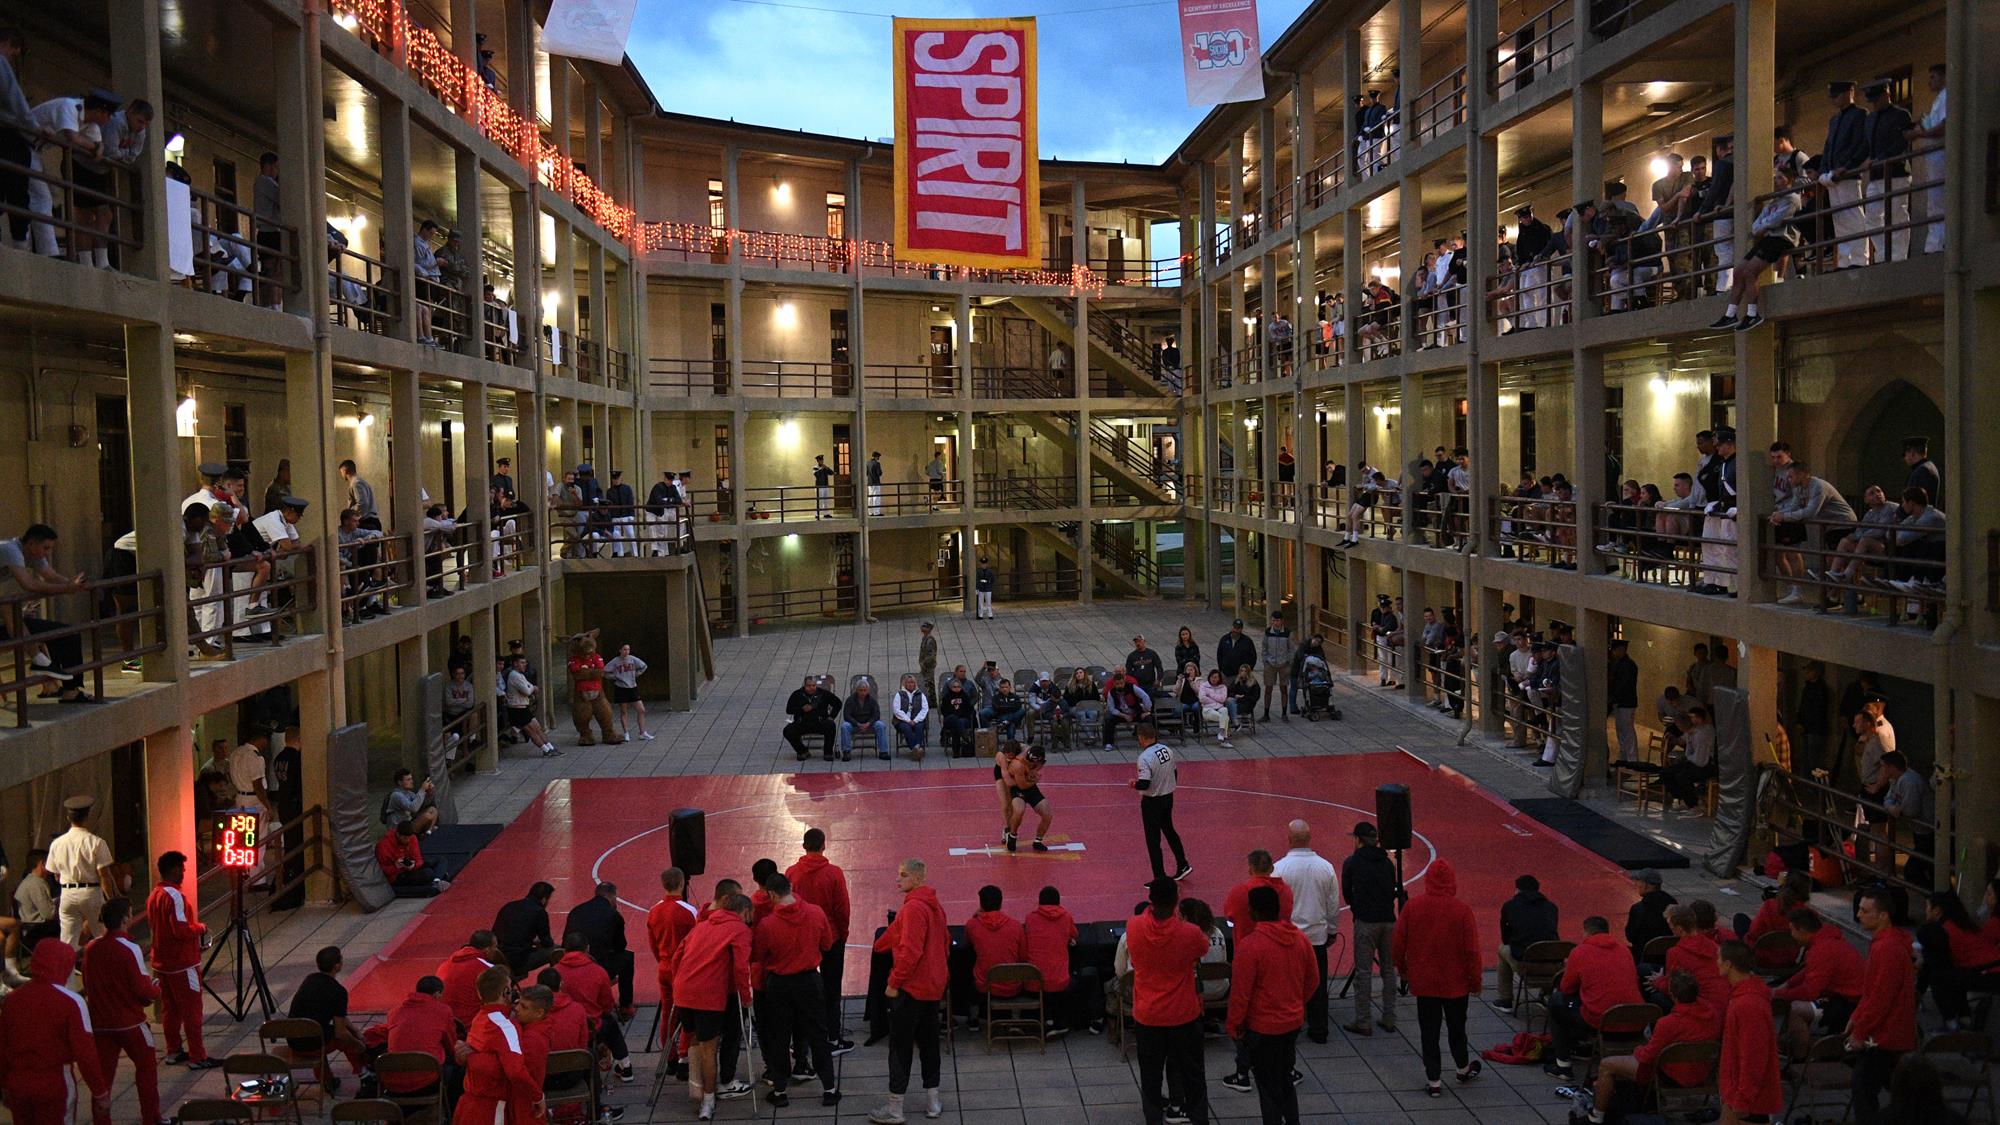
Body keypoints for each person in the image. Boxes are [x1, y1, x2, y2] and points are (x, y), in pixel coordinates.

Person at [1575, 971, 1719, 1125]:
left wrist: (1637, 1050)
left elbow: (1647, 1057)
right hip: (1702, 1074)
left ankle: (1597, 1116)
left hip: (1672, 1074)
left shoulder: (1669, 1023)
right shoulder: (1713, 1015)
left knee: (1607, 1064)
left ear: (1672, 995)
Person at [1391, 859, 1483, 1098]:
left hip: (1426, 981)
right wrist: (1475, 981)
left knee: (1428, 1031)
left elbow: (1399, 942)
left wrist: (1402, 968)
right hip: (1456, 982)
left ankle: (1434, 1080)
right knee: (1457, 1027)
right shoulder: (1462, 910)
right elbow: (1472, 951)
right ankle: (1462, 1067)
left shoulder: (1413, 907)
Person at [1228, 885, 1319, 1125]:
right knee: (1285, 1080)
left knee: (1267, 1088)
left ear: (1253, 912)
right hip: (1291, 1023)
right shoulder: (1299, 938)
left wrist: (1235, 1025)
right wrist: (1297, 1004)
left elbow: (1241, 993)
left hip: (1262, 1027)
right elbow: (1313, 979)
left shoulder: (1251, 946)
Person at [869, 859, 949, 1124]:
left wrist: (893, 982)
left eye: (902, 875)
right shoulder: (934, 907)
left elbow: (910, 950)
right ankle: (933, 1101)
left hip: (911, 988)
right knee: (929, 1042)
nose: (897, 880)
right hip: (933, 987)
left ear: (916, 879)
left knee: (900, 1047)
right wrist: (882, 944)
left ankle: (895, 1107)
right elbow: (941, 942)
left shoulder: (913, 908)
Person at [751, 873, 839, 1107]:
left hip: (779, 985)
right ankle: (829, 1088)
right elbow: (827, 944)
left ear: (771, 894)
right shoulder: (815, 913)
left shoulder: (767, 924)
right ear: (790, 888)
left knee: (779, 1037)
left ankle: (780, 1091)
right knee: (818, 1034)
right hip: (810, 981)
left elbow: (758, 955)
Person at [1128, 877, 1211, 1125]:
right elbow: (1202, 949)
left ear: (1150, 900)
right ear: (1176, 900)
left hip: (1148, 1014)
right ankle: (1198, 1118)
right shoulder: (1190, 933)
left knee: (1150, 1075)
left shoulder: (1133, 927)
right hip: (1183, 1014)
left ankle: (1153, 1118)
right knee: (1193, 1074)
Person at [0, 940, 110, 1124]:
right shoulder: (71, 1001)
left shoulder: (12, 1000)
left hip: (18, 1083)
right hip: (55, 1082)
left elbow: (3, 1046)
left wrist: (4, 1083)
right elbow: (85, 1053)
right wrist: (99, 1091)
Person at [81, 897, 161, 1125]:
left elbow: (88, 981)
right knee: (146, 1068)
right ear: (126, 918)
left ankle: (102, 1121)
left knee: (103, 1079)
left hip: (101, 1023)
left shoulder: (91, 947)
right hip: (130, 1022)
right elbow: (141, 986)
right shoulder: (129, 948)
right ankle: (151, 1117)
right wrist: (155, 990)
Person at [676, 891, 754, 1121]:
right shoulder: (740, 930)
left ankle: (696, 1086)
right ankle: (708, 1100)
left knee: (694, 1038)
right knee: (710, 1049)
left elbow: (678, 955)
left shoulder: (701, 926)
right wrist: (746, 996)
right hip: (708, 993)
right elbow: (741, 967)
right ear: (745, 912)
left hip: (684, 989)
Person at [1, 524, 98, 703]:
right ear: (31, 543)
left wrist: (74, 586)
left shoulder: (32, 555)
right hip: (6, 618)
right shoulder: (9, 549)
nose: (47, 553)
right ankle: (39, 661)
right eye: (45, 548)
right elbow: (28, 584)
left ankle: (71, 691)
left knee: (68, 633)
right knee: (8, 605)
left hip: (9, 620)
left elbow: (50, 576)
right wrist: (67, 588)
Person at [1846, 889, 1917, 1123]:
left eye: (1865, 911)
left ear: (1883, 915)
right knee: (1892, 1089)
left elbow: (1880, 997)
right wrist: (1857, 1016)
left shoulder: (1887, 949)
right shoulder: (1887, 944)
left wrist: (1860, 1030)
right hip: (1892, 1033)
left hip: (1886, 1036)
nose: (1859, 915)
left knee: (1864, 1088)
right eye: (1859, 910)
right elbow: (1872, 991)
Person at [1543, 916, 1643, 1080]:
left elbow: (1566, 988)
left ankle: (1563, 1065)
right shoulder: (1624, 950)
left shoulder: (1580, 952)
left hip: (1602, 1021)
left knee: (1557, 1002)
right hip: (1635, 1020)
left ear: (1586, 932)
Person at [145, 850, 216, 1069]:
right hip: (182, 964)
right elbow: (181, 930)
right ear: (173, 869)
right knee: (192, 1010)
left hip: (162, 963)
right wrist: (200, 928)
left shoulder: (154, 895)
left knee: (170, 1009)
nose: (184, 873)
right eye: (182, 869)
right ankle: (198, 1056)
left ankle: (173, 1050)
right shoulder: (174, 896)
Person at [1272, 820, 1341, 1043]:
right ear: (1309, 838)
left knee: (1286, 983)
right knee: (1317, 983)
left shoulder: (1279, 868)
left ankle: (1287, 1026)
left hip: (1288, 936)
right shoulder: (1326, 867)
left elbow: (1274, 905)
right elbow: (1333, 904)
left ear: (1289, 839)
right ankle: (1319, 1029)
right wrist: (1331, 930)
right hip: (1316, 936)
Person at [786, 830, 855, 1052]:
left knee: (802, 989)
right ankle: (833, 1038)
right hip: (831, 937)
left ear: (803, 845)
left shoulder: (792, 873)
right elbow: (842, 908)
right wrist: (842, 934)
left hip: (802, 938)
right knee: (831, 988)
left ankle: (802, 1040)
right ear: (824, 845)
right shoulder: (834, 874)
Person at [1773, 907, 1865, 1057]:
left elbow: (1809, 992)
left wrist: (1780, 993)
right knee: (1797, 999)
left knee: (1797, 1008)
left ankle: (1799, 1056)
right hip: (1848, 995)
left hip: (1851, 1002)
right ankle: (1788, 1041)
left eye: (1792, 931)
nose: (1791, 935)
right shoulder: (1827, 939)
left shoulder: (1821, 950)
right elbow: (1809, 971)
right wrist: (1788, 985)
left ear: (1802, 930)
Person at [456, 965, 541, 1125]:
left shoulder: (479, 1019)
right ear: (506, 992)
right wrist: (537, 1096)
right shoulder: (506, 1026)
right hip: (493, 1107)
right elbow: (516, 1071)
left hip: (469, 1103)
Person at [1340, 822, 1401, 1035]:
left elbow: (1347, 892)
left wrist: (1357, 907)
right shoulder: (1387, 863)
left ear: (1357, 840)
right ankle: (1389, 1016)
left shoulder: (1352, 862)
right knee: (1388, 969)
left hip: (1366, 920)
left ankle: (1363, 1020)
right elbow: (1392, 888)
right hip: (1387, 919)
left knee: (1364, 971)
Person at [1716, 940, 1783, 1125]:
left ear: (1729, 964)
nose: (1716, 963)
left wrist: (1744, 1097)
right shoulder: (1745, 997)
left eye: (1719, 958)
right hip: (1737, 1090)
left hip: (1748, 1097)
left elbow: (1754, 1055)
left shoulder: (1748, 1004)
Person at [1915, 889, 2000, 1029]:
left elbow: (1932, 962)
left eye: (1927, 906)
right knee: (1950, 974)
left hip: (1988, 973)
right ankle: (1964, 1017)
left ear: (1936, 910)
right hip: (1990, 970)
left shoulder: (1943, 930)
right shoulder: (1962, 925)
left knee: (1938, 976)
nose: (1926, 911)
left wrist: (1919, 989)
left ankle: (1952, 1023)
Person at [287, 945, 366, 1089]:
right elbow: (340, 1032)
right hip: (314, 1044)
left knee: (320, 1031)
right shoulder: (338, 991)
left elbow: (339, 1015)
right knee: (347, 1040)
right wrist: (357, 1042)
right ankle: (364, 1074)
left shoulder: (310, 980)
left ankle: (327, 1080)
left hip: (294, 1040)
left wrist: (355, 1029)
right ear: (337, 966)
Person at [48, 794, 116, 948]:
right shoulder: (96, 842)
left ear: (68, 818)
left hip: (67, 893)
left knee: (67, 942)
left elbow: (56, 874)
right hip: (91, 892)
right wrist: (111, 900)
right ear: (87, 817)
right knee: (103, 935)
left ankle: (67, 972)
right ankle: (103, 970)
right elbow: (104, 875)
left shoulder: (57, 844)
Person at [564, 880, 637, 1024]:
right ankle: (625, 1005)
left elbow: (565, 941)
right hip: (598, 965)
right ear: (612, 898)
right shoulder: (613, 915)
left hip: (568, 963)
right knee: (627, 958)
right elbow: (620, 947)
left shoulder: (576, 911)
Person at [380, 976, 457, 1104]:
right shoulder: (443, 1011)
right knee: (459, 1069)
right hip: (427, 1081)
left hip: (393, 1083)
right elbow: (451, 1047)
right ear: (437, 993)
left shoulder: (394, 1012)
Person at [1132, 724, 1192, 883]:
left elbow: (1144, 783)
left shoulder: (1145, 757)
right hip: (1168, 797)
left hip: (1152, 801)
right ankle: (1182, 864)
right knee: (1169, 830)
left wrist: (1133, 784)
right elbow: (1175, 772)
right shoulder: (1167, 750)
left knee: (1153, 840)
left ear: (1141, 737)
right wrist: (1168, 785)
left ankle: (1159, 877)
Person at [1493, 874, 1559, 1014]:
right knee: (1548, 947)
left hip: (1526, 963)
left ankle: (1505, 999)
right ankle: (1545, 995)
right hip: (1553, 966)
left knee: (1502, 949)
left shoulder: (1510, 906)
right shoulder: (1551, 907)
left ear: (1517, 890)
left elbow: (1506, 938)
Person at [965, 884, 1026, 1030]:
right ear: (1001, 902)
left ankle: (973, 1019)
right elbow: (1023, 955)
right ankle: (1015, 1019)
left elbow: (969, 943)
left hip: (985, 985)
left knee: (970, 977)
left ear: (981, 903)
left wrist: (975, 917)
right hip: (1012, 985)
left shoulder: (972, 925)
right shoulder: (1016, 926)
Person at [1880, 751, 1935, 888]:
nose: (1882, 770)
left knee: (1913, 870)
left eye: (1884, 766)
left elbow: (1910, 811)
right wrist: (1893, 808)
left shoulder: (1910, 781)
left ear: (1892, 767)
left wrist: (1896, 809)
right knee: (1929, 867)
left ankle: (1934, 899)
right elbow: (1887, 799)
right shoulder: (1895, 780)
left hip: (1929, 832)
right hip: (1918, 831)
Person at [436, 929, 502, 1026]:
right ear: (487, 950)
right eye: (495, 947)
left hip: (444, 1023)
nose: (496, 950)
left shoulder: (444, 965)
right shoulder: (487, 970)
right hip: (471, 1025)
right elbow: (498, 1003)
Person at [492, 881, 558, 977]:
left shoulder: (509, 906)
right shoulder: (539, 912)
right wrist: (536, 942)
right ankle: (552, 983)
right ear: (544, 899)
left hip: (498, 956)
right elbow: (547, 942)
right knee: (557, 950)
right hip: (518, 960)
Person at [504, 653, 561, 757]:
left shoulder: (520, 675)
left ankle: (550, 747)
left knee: (538, 728)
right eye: (522, 662)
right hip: (517, 709)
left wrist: (532, 687)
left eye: (525, 662)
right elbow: (527, 690)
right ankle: (546, 750)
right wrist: (533, 688)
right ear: (515, 663)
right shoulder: (514, 676)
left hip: (524, 707)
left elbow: (529, 686)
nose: (524, 665)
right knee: (531, 731)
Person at [1005, 745, 1055, 853]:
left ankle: (1038, 841)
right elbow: (1022, 786)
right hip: (1018, 788)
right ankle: (1012, 836)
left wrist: (1034, 771)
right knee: (1019, 810)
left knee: (1047, 814)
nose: (1032, 765)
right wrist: (1035, 780)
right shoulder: (1018, 765)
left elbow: (1041, 763)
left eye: (1034, 764)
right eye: (1030, 763)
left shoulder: (1034, 754)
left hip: (1030, 787)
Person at [376, 820, 448, 894]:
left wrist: (414, 865)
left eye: (409, 838)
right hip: (397, 875)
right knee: (427, 873)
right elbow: (381, 870)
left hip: (410, 868)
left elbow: (418, 859)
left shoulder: (412, 838)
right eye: (405, 838)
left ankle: (436, 881)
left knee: (441, 860)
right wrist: (396, 867)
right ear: (398, 834)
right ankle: (438, 876)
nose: (407, 840)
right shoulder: (383, 846)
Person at [782, 674, 840, 762]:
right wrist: (801, 709)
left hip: (820, 722)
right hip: (802, 723)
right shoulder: (797, 694)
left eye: (813, 685)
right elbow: (789, 710)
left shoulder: (823, 693)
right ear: (804, 686)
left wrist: (832, 717)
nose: (811, 688)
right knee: (787, 731)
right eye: (809, 686)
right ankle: (802, 751)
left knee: (831, 725)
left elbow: (838, 703)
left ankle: (828, 752)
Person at [604, 643, 652, 741]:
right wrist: (615, 677)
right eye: (625, 649)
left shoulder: (632, 659)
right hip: (621, 688)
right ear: (620, 650)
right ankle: (626, 732)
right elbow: (605, 672)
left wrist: (637, 674)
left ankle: (642, 732)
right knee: (624, 711)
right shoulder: (615, 661)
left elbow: (643, 666)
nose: (627, 652)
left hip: (632, 687)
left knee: (641, 710)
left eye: (628, 649)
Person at [1102, 667, 1153, 750]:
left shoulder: (1132, 687)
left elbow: (1145, 696)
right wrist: (1123, 715)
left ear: (1124, 682)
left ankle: (1150, 742)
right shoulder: (1111, 693)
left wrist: (1147, 710)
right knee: (1108, 718)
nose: (1119, 685)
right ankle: (1109, 743)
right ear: (1114, 684)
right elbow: (1111, 708)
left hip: (1135, 712)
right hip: (1121, 714)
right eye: (1117, 684)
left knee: (1148, 718)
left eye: (1121, 683)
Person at [841, 678, 889, 763]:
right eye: (861, 690)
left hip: (869, 724)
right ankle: (846, 751)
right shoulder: (850, 700)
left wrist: (869, 723)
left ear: (868, 690)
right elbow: (847, 715)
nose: (863, 692)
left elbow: (876, 715)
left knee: (881, 725)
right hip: (855, 724)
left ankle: (883, 751)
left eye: (864, 690)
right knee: (845, 726)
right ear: (856, 690)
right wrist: (857, 723)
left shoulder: (872, 700)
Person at [1259, 613, 1292, 722]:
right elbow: (1264, 647)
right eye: (1273, 620)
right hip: (1270, 664)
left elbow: (1291, 649)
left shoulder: (1287, 633)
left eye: (1277, 620)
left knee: (1284, 688)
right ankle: (1266, 713)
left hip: (1284, 664)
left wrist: (1288, 661)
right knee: (1268, 689)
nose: (1275, 623)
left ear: (1282, 621)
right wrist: (1265, 661)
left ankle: (1284, 713)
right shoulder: (1267, 632)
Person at [891, 674, 930, 759]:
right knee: (906, 728)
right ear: (905, 684)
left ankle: (915, 750)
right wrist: (908, 720)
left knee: (919, 727)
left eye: (912, 682)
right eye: (908, 682)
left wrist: (915, 720)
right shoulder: (899, 695)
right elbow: (897, 710)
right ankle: (916, 749)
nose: (910, 684)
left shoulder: (920, 695)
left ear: (915, 684)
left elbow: (924, 709)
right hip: (902, 720)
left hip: (917, 720)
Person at [1198, 669, 1233, 748]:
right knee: (1225, 718)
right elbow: (1202, 699)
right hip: (1208, 710)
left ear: (1219, 678)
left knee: (1225, 710)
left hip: (1219, 708)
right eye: (1212, 677)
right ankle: (1223, 738)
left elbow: (1223, 699)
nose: (1213, 679)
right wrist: (1216, 701)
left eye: (1215, 677)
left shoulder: (1223, 687)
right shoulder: (1204, 686)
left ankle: (1221, 734)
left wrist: (1210, 695)